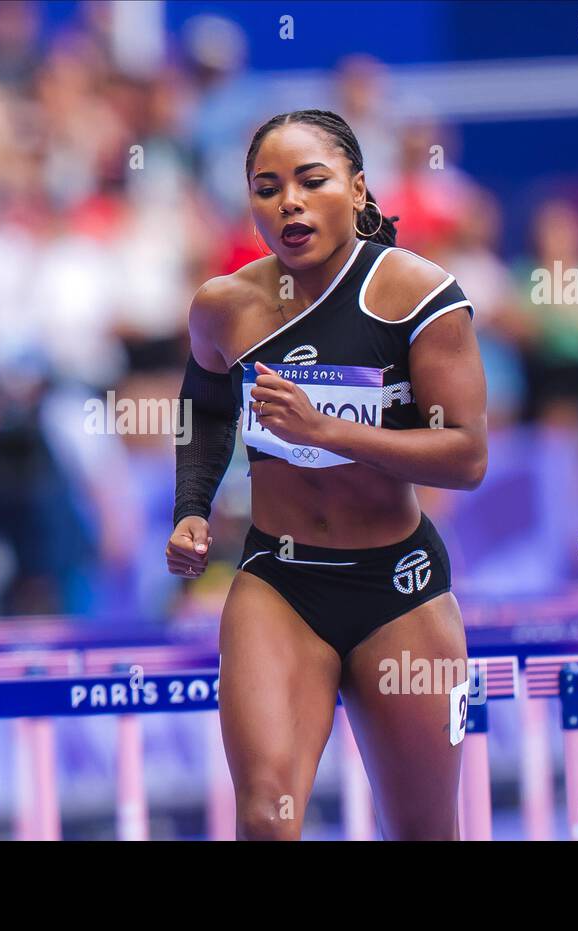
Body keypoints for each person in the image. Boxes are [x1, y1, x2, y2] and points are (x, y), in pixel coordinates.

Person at [166, 110, 487, 840]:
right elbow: (206, 409)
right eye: (267, 188)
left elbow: (466, 456)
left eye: (312, 181)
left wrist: (328, 431)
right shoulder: (226, 308)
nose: (290, 203)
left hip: (397, 588)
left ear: (357, 188)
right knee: (266, 814)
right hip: (279, 582)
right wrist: (191, 508)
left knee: (425, 827)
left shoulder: (419, 296)